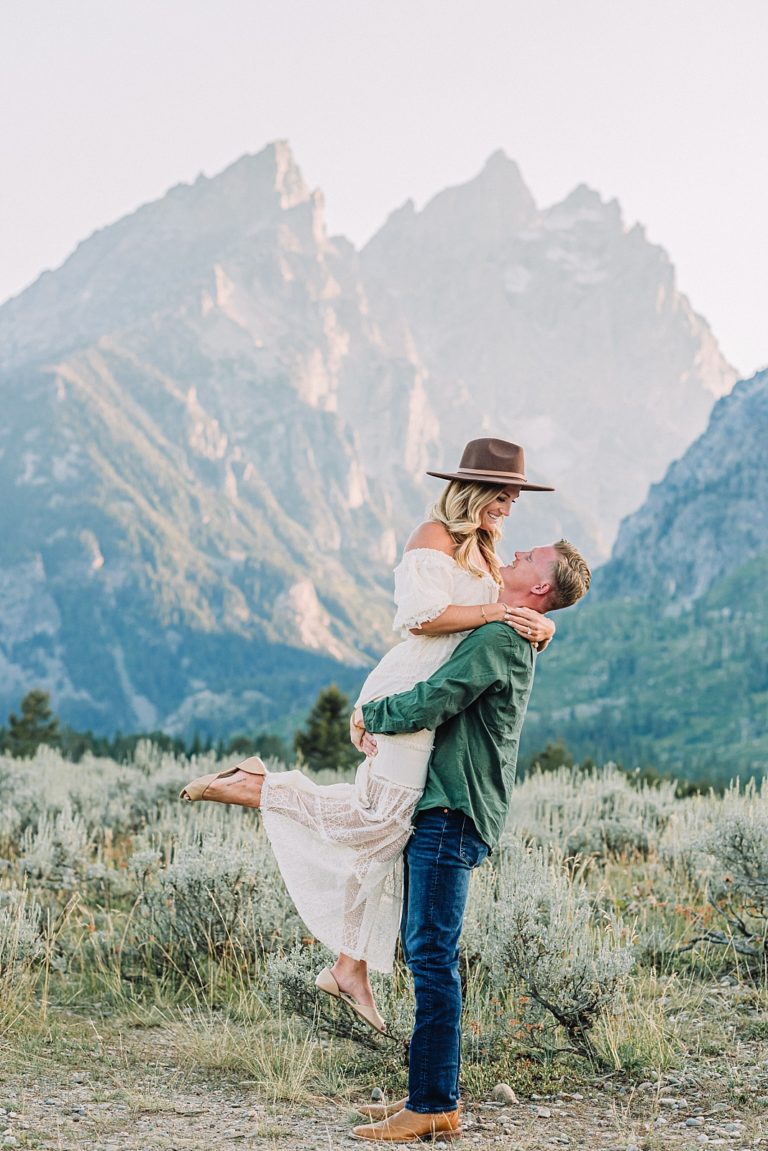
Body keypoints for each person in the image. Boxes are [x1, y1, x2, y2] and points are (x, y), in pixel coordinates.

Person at [180, 437, 555, 1033]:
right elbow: (421, 619)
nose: (509, 507)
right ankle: (257, 788)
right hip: (410, 689)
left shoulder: (484, 548)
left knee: (389, 831)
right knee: (381, 819)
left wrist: (540, 627)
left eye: (513, 498)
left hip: (432, 699)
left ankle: (349, 965)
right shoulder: (432, 536)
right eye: (502, 495)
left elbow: (509, 618)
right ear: (474, 490)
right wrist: (496, 614)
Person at [348, 541, 591, 1143]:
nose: (517, 551)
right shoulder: (511, 629)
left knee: (432, 954)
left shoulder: (501, 638)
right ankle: (428, 1091)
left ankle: (433, 1104)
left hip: (452, 810)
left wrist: (369, 714)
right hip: (452, 806)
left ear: (540, 588)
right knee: (428, 950)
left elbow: (437, 698)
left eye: (529, 557)